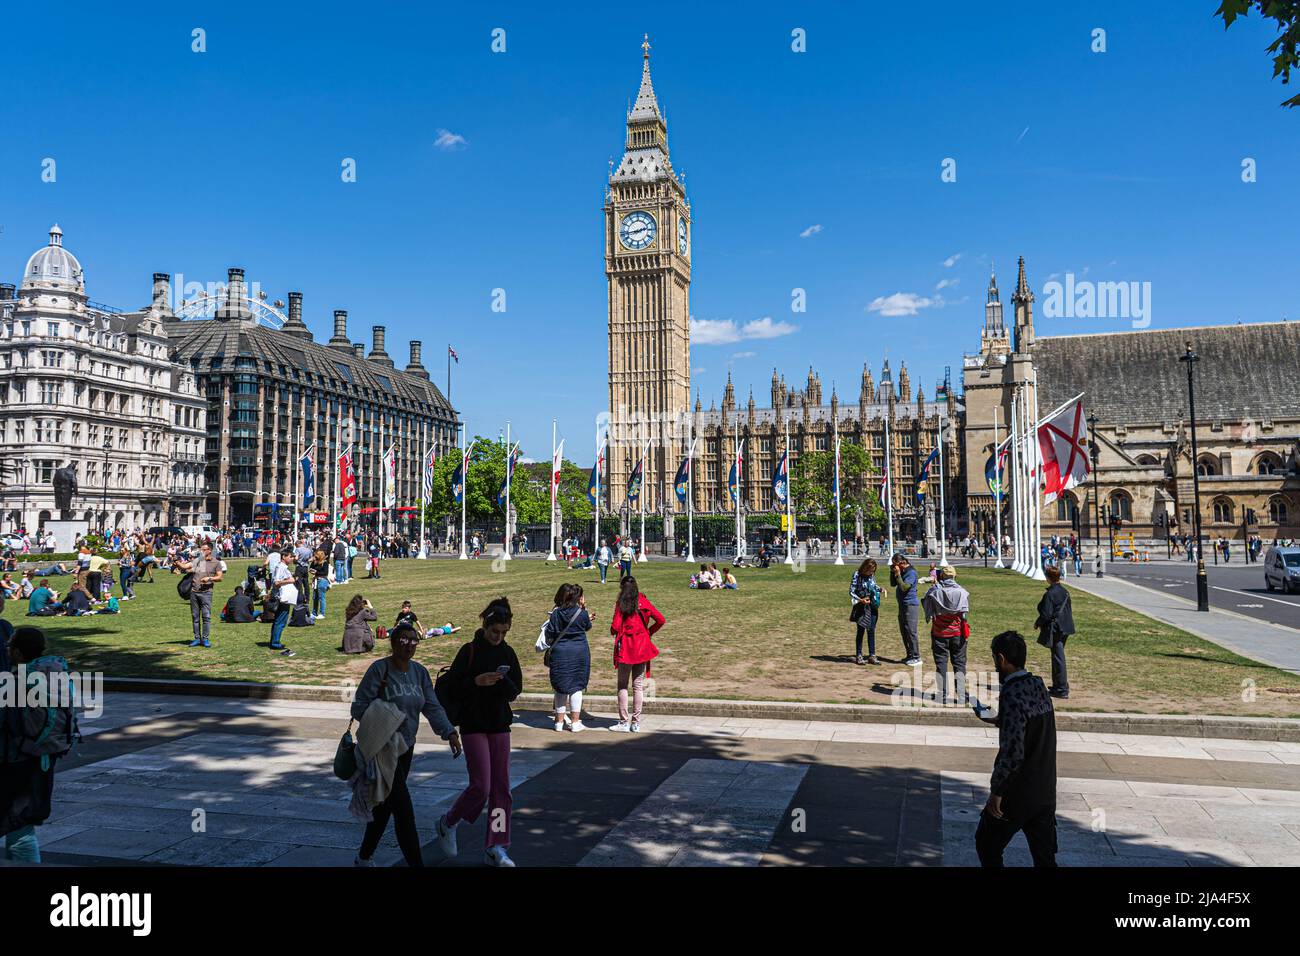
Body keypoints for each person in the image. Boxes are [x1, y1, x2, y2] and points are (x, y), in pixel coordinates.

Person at [350, 622, 462, 867]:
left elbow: (431, 706)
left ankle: (363, 857)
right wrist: (382, 713)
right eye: (403, 639)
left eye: (414, 640)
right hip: (382, 750)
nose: (409, 644)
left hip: (405, 748)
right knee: (403, 809)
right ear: (393, 642)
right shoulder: (379, 670)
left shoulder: (419, 672)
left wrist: (449, 732)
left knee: (385, 808)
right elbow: (358, 708)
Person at [435, 597, 523, 868]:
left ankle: (496, 844)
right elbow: (452, 687)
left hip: (499, 724)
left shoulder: (507, 653)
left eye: (504, 632)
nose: (499, 637)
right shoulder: (469, 650)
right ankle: (449, 821)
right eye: (495, 631)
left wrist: (503, 680)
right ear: (485, 626)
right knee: (481, 786)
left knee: (501, 789)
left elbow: (515, 690)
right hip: (473, 724)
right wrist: (476, 681)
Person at [975, 631, 1058, 868]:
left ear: (1001, 659)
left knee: (986, 844)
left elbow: (1013, 752)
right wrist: (999, 720)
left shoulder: (1011, 693)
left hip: (1018, 792)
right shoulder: (1037, 684)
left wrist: (997, 792)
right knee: (1045, 858)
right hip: (1045, 789)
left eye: (994, 658)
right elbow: (1029, 724)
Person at [609, 576, 663, 733]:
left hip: (626, 646)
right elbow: (660, 619)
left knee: (622, 684)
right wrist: (648, 632)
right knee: (638, 686)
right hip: (642, 647)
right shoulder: (643, 601)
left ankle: (623, 721)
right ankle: (636, 722)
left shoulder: (621, 603)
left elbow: (615, 626)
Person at [543, 583, 593, 733]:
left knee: (560, 687)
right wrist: (584, 608)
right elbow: (587, 626)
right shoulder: (581, 613)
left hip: (560, 652)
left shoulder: (556, 613)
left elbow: (549, 633)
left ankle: (559, 722)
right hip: (579, 652)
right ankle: (575, 721)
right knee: (576, 686)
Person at [921, 564, 970, 705]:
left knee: (941, 664)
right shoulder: (962, 592)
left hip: (939, 633)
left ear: (942, 576)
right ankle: (961, 694)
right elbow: (964, 615)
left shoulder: (934, 591)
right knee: (959, 664)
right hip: (957, 633)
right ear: (954, 576)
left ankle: (942, 694)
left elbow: (926, 604)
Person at [1034, 566, 1075, 700]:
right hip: (1065, 627)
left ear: (1048, 578)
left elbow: (1046, 614)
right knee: (1057, 655)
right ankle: (1058, 684)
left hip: (1057, 628)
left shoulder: (1050, 594)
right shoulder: (1065, 591)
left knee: (1058, 657)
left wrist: (1038, 622)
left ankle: (1062, 688)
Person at [176, 541, 224, 648]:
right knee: (195, 617)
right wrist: (177, 563)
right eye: (201, 549)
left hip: (206, 593)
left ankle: (205, 639)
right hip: (194, 593)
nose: (201, 551)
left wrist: (210, 578)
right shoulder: (199, 561)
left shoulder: (216, 563)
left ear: (209, 550)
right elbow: (185, 566)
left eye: (203, 549)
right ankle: (197, 638)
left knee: (206, 617)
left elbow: (220, 577)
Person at [889, 553, 922, 666]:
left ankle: (917, 657)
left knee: (911, 631)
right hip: (902, 605)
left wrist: (898, 574)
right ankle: (910, 655)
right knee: (904, 631)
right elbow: (893, 584)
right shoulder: (902, 571)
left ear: (903, 563)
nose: (895, 567)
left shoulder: (911, 572)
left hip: (910, 605)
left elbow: (904, 588)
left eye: (896, 565)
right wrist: (892, 572)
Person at [849, 558, 883, 665]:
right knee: (861, 630)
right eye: (870, 570)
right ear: (865, 567)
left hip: (872, 605)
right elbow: (851, 591)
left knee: (871, 629)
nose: (871, 573)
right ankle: (859, 655)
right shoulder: (857, 575)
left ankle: (872, 655)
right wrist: (860, 600)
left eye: (873, 571)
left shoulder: (871, 575)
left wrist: (880, 589)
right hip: (861, 606)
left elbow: (873, 586)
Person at [310, 549, 331, 620]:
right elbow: (311, 568)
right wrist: (312, 569)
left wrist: (316, 572)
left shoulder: (324, 563)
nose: (315, 557)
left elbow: (325, 573)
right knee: (315, 597)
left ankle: (322, 613)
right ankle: (314, 613)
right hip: (316, 580)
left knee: (321, 597)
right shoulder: (315, 562)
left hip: (322, 580)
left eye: (317, 556)